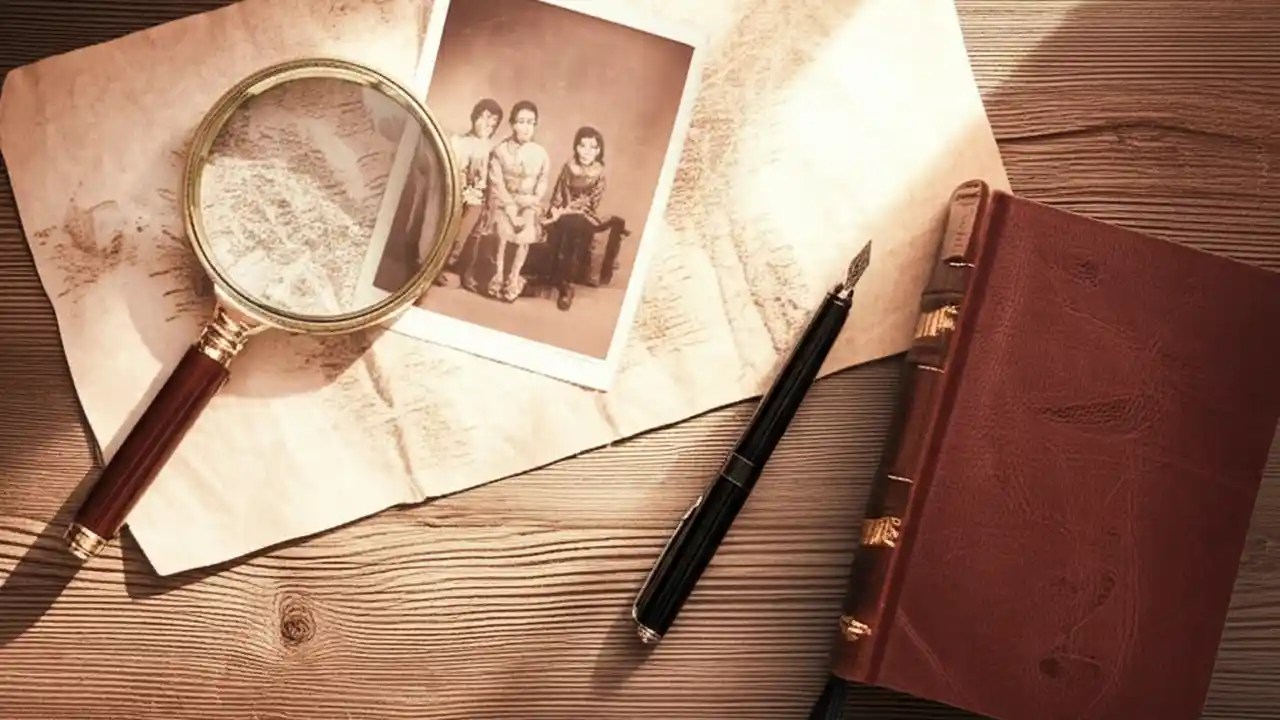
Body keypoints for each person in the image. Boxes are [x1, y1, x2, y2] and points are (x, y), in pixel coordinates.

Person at [473, 100, 551, 302]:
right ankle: (497, 276)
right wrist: (509, 207)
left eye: (530, 123)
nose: (525, 128)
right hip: (504, 202)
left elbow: (542, 180)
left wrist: (532, 199)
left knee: (526, 227)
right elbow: (497, 184)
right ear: (512, 124)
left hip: (528, 202)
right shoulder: (500, 151)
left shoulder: (540, 153)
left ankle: (513, 278)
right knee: (504, 229)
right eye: (521, 122)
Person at [433, 98, 503, 289]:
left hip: (478, 198)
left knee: (472, 236)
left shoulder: (492, 149)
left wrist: (489, 202)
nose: (488, 124)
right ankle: (436, 267)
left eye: (493, 122)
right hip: (457, 193)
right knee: (448, 230)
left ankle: (467, 272)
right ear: (474, 117)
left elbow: (493, 179)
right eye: (485, 118)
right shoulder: (459, 142)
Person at [542, 126, 607, 310]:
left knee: (573, 226)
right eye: (582, 146)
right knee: (558, 225)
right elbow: (559, 193)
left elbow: (590, 202)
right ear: (575, 147)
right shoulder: (568, 167)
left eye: (591, 147)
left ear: (598, 150)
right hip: (562, 212)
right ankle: (552, 276)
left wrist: (569, 210)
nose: (586, 151)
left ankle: (566, 285)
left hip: (583, 215)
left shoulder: (599, 173)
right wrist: (557, 209)